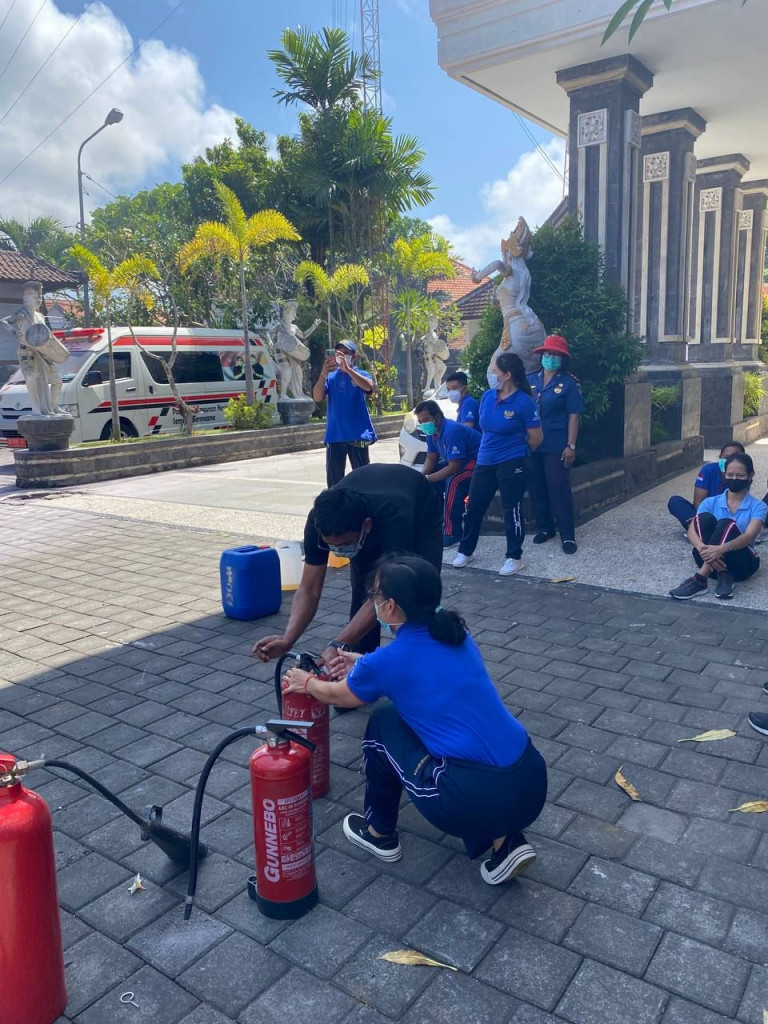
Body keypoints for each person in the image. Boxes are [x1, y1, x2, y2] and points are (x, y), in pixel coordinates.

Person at [281, 555, 548, 884]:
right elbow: (419, 672)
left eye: (375, 595)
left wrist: (305, 683)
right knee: (447, 734)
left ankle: (379, 834)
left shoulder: (389, 662)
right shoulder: (456, 634)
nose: (373, 601)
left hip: (472, 795)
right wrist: (366, 664)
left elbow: (338, 696)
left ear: (390, 607)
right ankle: (505, 843)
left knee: (382, 722)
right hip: (532, 779)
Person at [253, 464, 442, 666]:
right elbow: (309, 587)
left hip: (419, 507)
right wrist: (288, 638)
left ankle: (421, 662)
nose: (338, 551)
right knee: (363, 591)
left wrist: (337, 644)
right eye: (331, 545)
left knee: (415, 591)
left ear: (366, 526)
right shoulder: (319, 520)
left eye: (343, 545)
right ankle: (360, 669)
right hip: (370, 495)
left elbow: (385, 592)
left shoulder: (395, 516)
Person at [452, 352, 542, 576]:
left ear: (508, 375)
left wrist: (519, 453)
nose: (492, 374)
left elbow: (536, 438)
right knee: (473, 507)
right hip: (485, 460)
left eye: (495, 371)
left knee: (512, 509)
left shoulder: (524, 402)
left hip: (512, 461)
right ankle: (466, 550)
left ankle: (514, 556)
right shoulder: (487, 397)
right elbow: (485, 428)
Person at [669, 453, 767, 601]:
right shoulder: (710, 502)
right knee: (704, 518)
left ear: (750, 475)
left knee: (726, 523)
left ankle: (700, 578)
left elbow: (749, 536)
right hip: (707, 559)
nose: (734, 479)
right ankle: (724, 575)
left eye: (740, 475)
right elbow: (692, 530)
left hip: (742, 563)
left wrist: (720, 549)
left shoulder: (758, 506)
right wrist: (703, 549)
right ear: (724, 474)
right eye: (730, 474)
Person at [526, 335, 584, 554]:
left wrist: (571, 446)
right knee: (536, 486)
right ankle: (545, 527)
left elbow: (573, 416)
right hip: (532, 444)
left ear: (562, 358)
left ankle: (567, 535)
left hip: (556, 444)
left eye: (555, 355)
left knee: (558, 487)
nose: (549, 358)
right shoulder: (530, 380)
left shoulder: (569, 383)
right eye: (547, 354)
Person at [415, 399, 480, 547]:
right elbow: (431, 458)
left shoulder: (451, 431)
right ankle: (438, 521)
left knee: (454, 482)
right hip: (461, 460)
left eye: (426, 419)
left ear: (437, 417)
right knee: (433, 478)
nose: (423, 424)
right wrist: (420, 477)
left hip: (478, 462)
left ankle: (453, 533)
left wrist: (428, 478)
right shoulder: (433, 433)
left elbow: (454, 467)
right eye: (420, 421)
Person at [313, 340, 377, 488]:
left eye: (346, 353)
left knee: (363, 479)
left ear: (354, 356)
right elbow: (317, 396)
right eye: (338, 354)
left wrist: (348, 369)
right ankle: (337, 509)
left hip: (357, 435)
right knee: (334, 483)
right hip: (335, 436)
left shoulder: (360, 373)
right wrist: (323, 373)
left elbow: (368, 386)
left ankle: (364, 508)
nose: (341, 357)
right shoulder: (330, 377)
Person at [667, 441, 746, 532]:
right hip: (704, 512)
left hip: (728, 516)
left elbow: (737, 506)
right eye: (726, 457)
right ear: (720, 457)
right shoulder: (708, 470)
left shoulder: (743, 476)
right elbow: (698, 502)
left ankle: (699, 530)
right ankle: (701, 528)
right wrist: (702, 519)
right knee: (675, 501)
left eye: (733, 458)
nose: (729, 461)